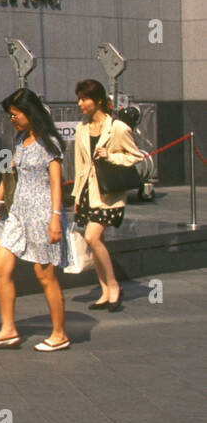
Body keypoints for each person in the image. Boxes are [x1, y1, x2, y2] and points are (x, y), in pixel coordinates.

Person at [0, 87, 70, 352]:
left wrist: (55, 219)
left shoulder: (48, 142)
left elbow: (56, 184)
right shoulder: (20, 140)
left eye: (16, 114)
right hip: (17, 213)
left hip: (43, 215)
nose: (12, 119)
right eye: (10, 115)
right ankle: (8, 330)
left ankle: (59, 334)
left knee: (45, 275)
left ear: (30, 113)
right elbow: (10, 173)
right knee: (1, 268)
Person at [72, 78, 142, 311]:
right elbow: (79, 164)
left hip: (108, 192)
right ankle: (104, 291)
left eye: (85, 98)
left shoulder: (118, 128)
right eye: (79, 98)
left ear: (99, 100)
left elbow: (135, 156)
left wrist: (110, 156)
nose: (80, 103)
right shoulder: (81, 128)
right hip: (87, 193)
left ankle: (113, 285)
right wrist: (75, 196)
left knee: (92, 237)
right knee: (95, 240)